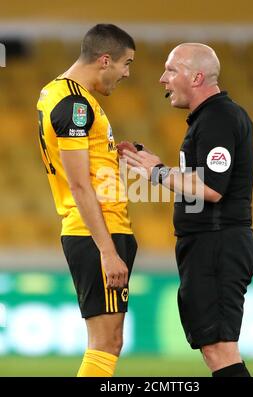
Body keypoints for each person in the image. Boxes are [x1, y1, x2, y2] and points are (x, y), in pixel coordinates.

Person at [119, 43, 253, 377]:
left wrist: (158, 172)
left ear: (197, 77)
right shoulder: (209, 119)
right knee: (215, 351)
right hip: (208, 246)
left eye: (171, 70)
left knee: (221, 350)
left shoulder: (218, 117)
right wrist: (153, 168)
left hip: (217, 244)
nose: (162, 78)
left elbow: (211, 188)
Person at [37, 24, 137, 377]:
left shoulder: (55, 93)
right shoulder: (75, 104)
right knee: (105, 344)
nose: (126, 73)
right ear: (105, 60)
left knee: (108, 342)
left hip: (97, 231)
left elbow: (85, 167)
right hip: (99, 232)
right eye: (126, 64)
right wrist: (108, 251)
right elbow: (79, 185)